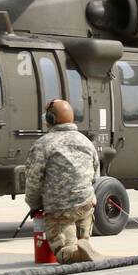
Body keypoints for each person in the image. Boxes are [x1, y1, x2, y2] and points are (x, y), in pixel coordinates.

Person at [25, 99, 102, 264]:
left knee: (64, 253)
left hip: (60, 210)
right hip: (85, 207)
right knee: (80, 238)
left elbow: (33, 182)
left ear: (51, 119)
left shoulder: (43, 144)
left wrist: (34, 204)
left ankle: (75, 253)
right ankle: (83, 244)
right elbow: (95, 177)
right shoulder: (86, 142)